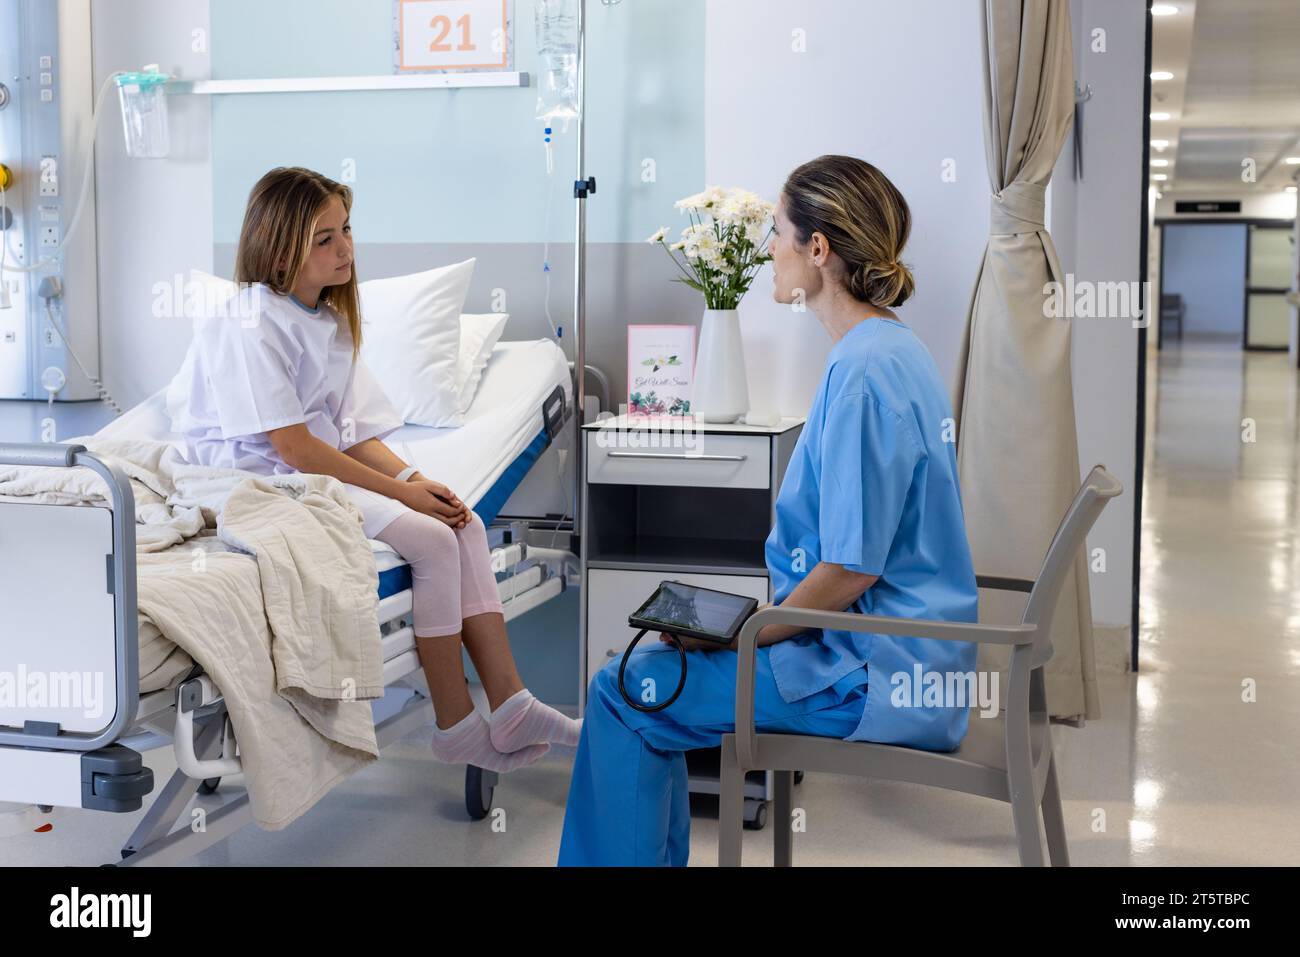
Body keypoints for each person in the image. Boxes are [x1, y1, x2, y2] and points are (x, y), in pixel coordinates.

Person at [557, 155, 979, 866]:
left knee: (626, 688)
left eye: (779, 233)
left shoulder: (865, 376)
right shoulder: (890, 349)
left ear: (820, 250)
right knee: (648, 679)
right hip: (887, 653)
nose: (769, 251)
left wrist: (743, 635)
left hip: (871, 674)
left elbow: (849, 567)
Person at [175, 166, 579, 773]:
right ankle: (454, 723)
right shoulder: (251, 320)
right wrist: (403, 499)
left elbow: (353, 434)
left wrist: (416, 482)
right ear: (279, 247)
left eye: (346, 230)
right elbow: (294, 447)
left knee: (464, 525)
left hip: (310, 474)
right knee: (431, 542)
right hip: (260, 479)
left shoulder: (329, 321)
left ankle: (512, 702)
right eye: (324, 239)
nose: (346, 249)